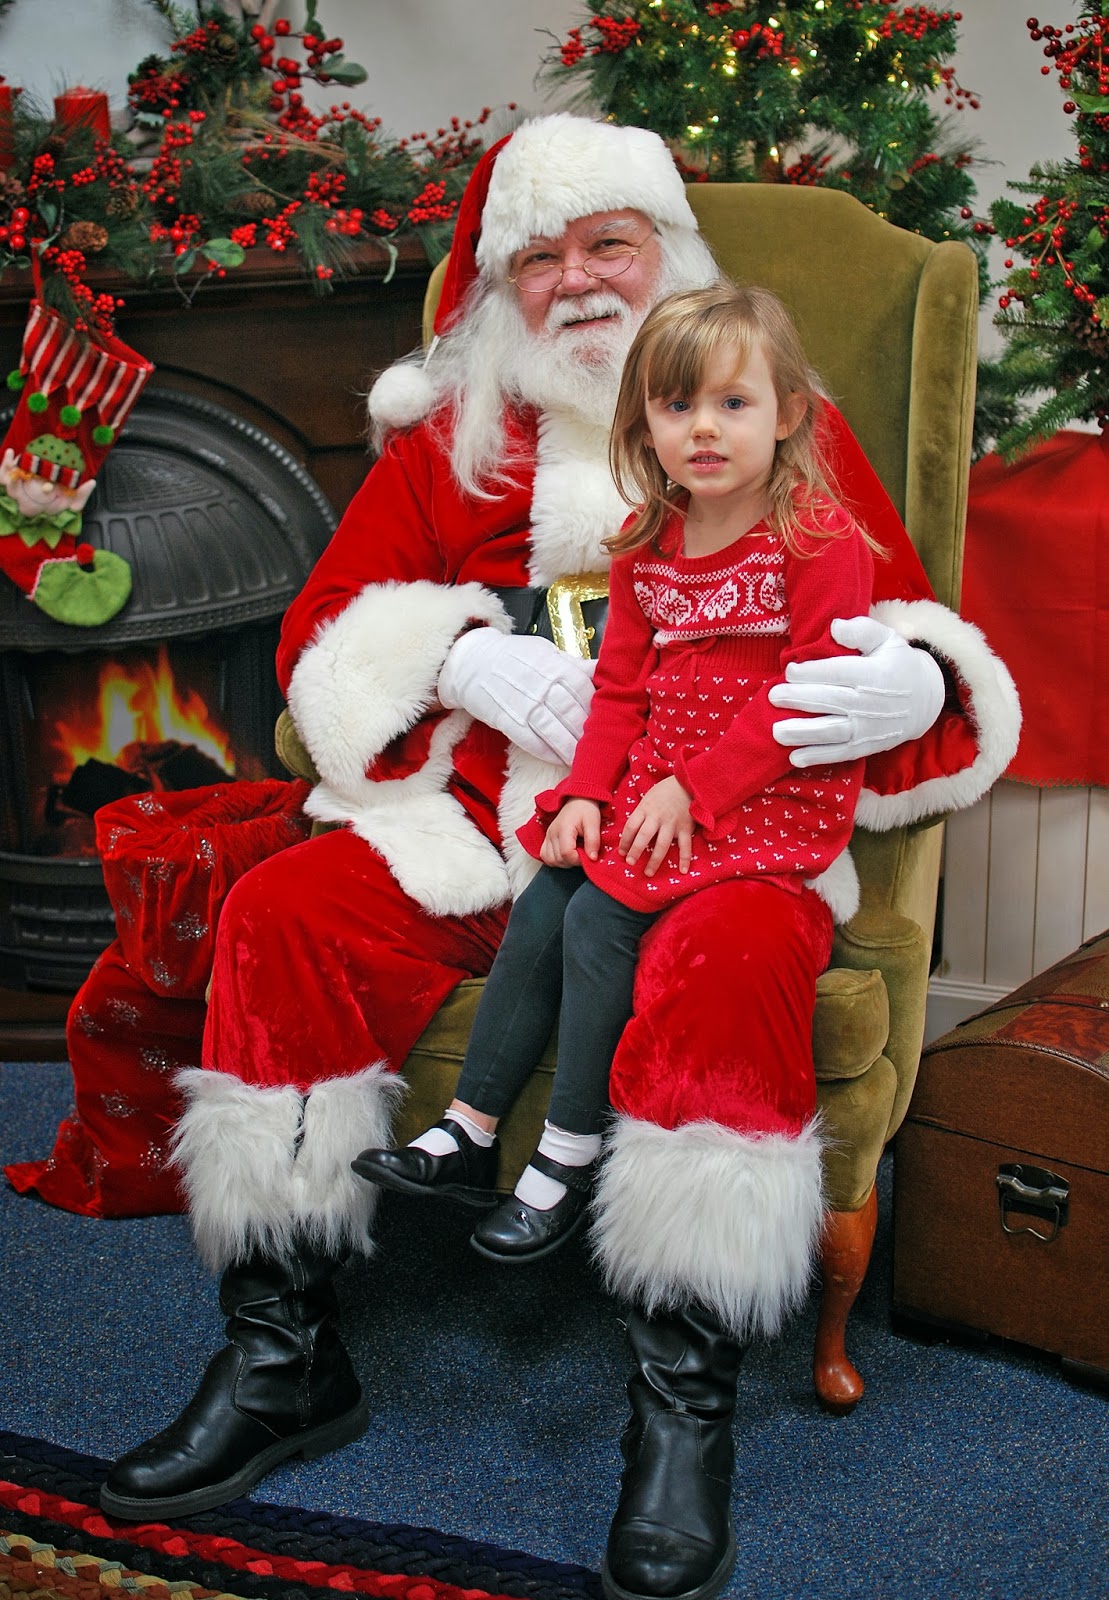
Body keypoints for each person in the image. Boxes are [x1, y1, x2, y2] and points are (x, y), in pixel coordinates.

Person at [99, 114, 1020, 1600]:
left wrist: (918, 679)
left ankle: (680, 1403)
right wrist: (458, 661)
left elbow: (899, 633)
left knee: (727, 961)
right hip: (482, 828)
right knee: (282, 913)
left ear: (669, 257)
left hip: (724, 845)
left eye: (610, 245)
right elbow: (320, 642)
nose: (579, 283)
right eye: (539, 259)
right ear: (495, 290)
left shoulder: (779, 426)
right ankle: (281, 1356)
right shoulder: (447, 440)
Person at [352, 281, 877, 1282]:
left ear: (788, 414)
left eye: (732, 403)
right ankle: (467, 1122)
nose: (704, 430)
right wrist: (590, 793)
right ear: (645, 422)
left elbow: (806, 700)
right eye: (677, 408)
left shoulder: (813, 541)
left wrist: (700, 791)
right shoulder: (648, 543)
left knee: (598, 920)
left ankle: (562, 1158)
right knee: (548, 895)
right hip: (653, 782)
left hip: (765, 797)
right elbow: (620, 691)